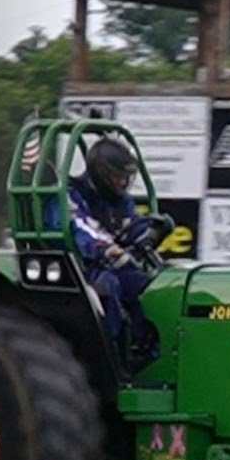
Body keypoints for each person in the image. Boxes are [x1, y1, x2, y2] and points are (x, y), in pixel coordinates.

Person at [63, 138, 171, 364]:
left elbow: (132, 226)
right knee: (108, 286)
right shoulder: (71, 193)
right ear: (101, 172)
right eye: (118, 177)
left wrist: (153, 233)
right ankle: (108, 361)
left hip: (113, 267)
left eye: (126, 178)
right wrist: (108, 250)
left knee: (150, 286)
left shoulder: (119, 200)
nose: (123, 183)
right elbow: (80, 229)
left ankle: (148, 353)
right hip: (80, 268)